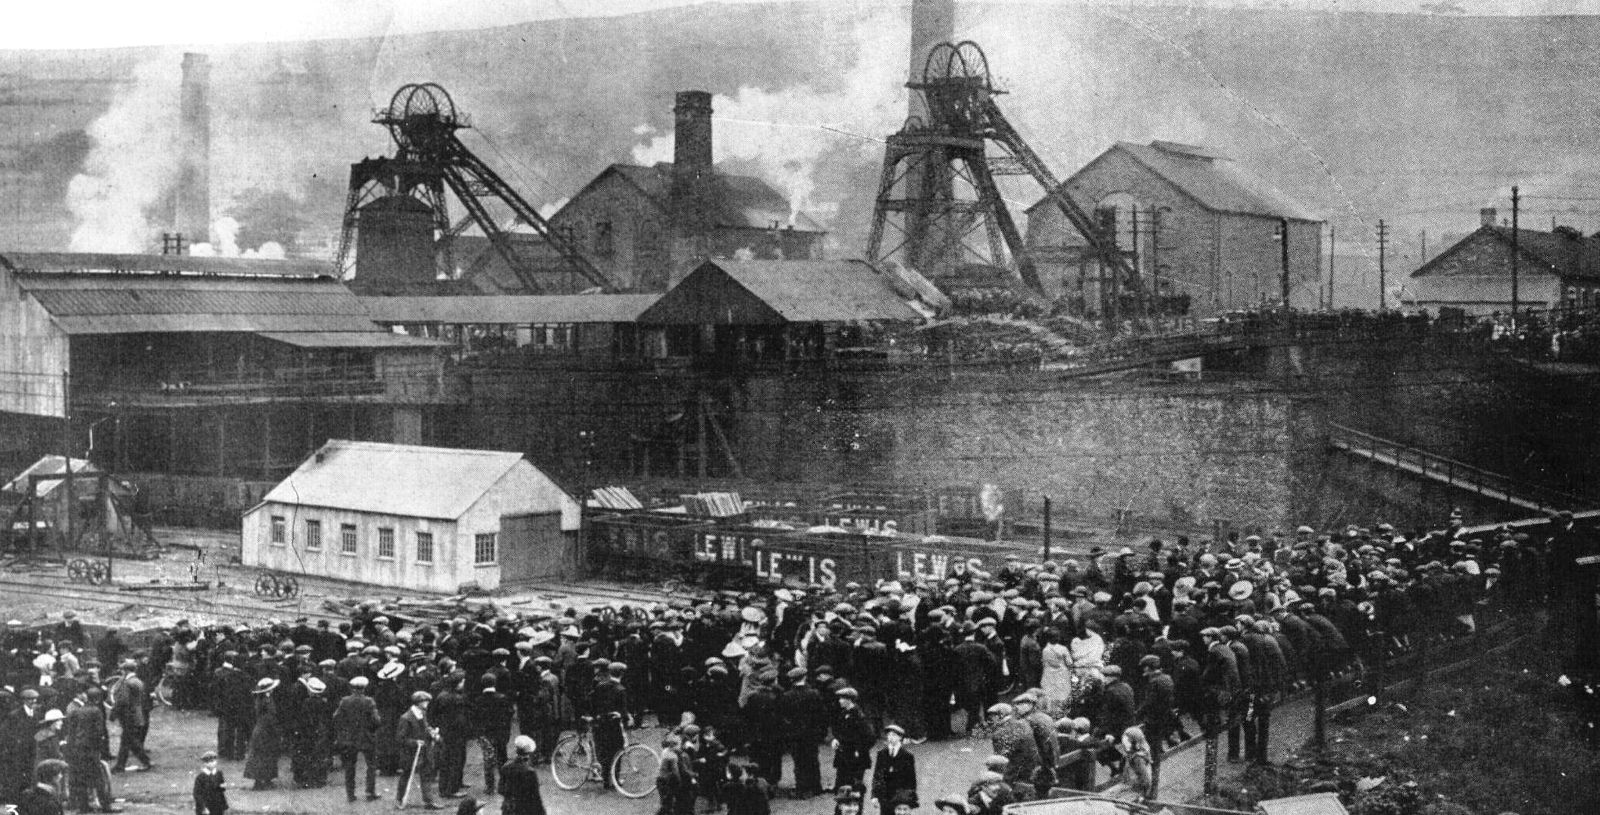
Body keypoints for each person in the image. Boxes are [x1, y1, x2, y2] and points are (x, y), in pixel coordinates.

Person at [333, 675, 382, 803]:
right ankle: (370, 792)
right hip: (366, 737)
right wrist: (370, 729)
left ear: (352, 688)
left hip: (350, 738)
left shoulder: (345, 701)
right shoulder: (369, 701)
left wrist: (345, 729)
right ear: (364, 688)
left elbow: (336, 717)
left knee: (349, 767)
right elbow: (376, 721)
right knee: (371, 765)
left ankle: (350, 794)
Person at [396, 691, 443, 810]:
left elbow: (425, 727)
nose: (427, 704)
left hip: (424, 751)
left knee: (426, 775)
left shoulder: (422, 714)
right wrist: (415, 742)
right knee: (406, 776)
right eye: (425, 701)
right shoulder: (406, 718)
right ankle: (400, 799)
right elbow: (400, 738)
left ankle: (428, 801)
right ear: (418, 703)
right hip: (411, 753)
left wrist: (432, 734)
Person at [109, 661, 151, 774]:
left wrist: (114, 713)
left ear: (125, 670)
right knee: (127, 741)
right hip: (137, 713)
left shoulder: (127, 683)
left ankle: (145, 761)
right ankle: (120, 765)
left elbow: (123, 701)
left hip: (128, 715)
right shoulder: (137, 681)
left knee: (129, 740)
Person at [830, 688, 874, 793]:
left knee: (854, 788)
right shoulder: (844, 713)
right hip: (844, 754)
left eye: (842, 698)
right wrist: (836, 739)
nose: (839, 701)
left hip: (854, 756)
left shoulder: (859, 716)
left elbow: (870, 737)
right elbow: (840, 731)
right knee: (841, 785)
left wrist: (859, 750)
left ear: (849, 700)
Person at [243, 678, 282, 791]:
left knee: (262, 755)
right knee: (264, 755)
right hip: (266, 730)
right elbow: (270, 717)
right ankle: (261, 781)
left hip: (261, 729)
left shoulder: (261, 700)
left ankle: (262, 780)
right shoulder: (267, 701)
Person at [870, 725, 917, 812]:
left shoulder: (907, 756)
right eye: (889, 735)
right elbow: (877, 775)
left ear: (900, 737)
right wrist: (874, 795)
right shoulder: (881, 754)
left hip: (900, 797)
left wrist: (910, 798)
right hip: (884, 797)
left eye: (894, 735)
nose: (891, 738)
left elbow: (911, 779)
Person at [498, 736, 544, 815]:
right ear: (529, 754)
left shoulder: (505, 767)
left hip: (508, 809)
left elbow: (500, 789)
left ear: (516, 750)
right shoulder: (530, 772)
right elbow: (536, 799)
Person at [1119, 727, 1152, 800]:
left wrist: (1142, 795)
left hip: (1138, 793)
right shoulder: (1131, 755)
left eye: (1128, 740)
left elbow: (1146, 780)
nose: (1124, 743)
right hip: (1131, 789)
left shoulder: (1138, 758)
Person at [193, 750, 228, 815]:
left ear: (216, 762)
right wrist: (203, 808)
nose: (211, 764)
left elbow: (221, 789)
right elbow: (197, 794)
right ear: (204, 764)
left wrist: (222, 786)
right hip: (206, 804)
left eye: (213, 761)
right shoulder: (200, 777)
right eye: (208, 762)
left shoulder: (219, 773)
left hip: (218, 804)